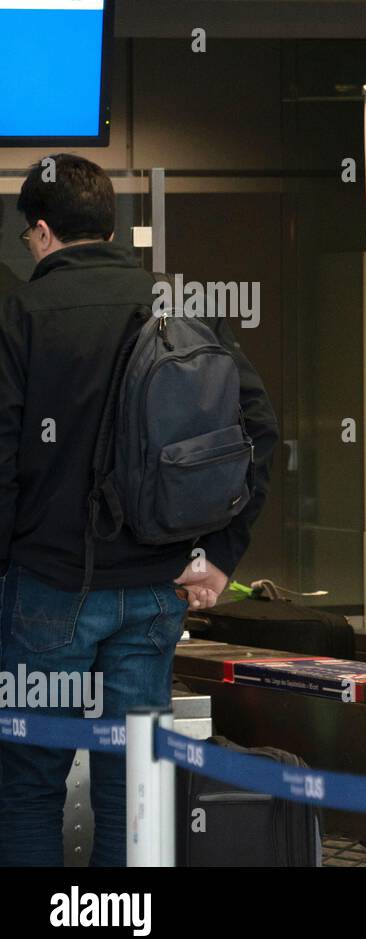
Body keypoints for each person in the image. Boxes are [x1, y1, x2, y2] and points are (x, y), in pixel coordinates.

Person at [0, 154, 279, 866]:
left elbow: (3, 460)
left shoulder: (21, 314)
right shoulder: (175, 305)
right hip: (157, 589)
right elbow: (260, 429)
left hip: (48, 590)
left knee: (30, 781)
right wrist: (219, 553)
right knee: (134, 786)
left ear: (40, 231)